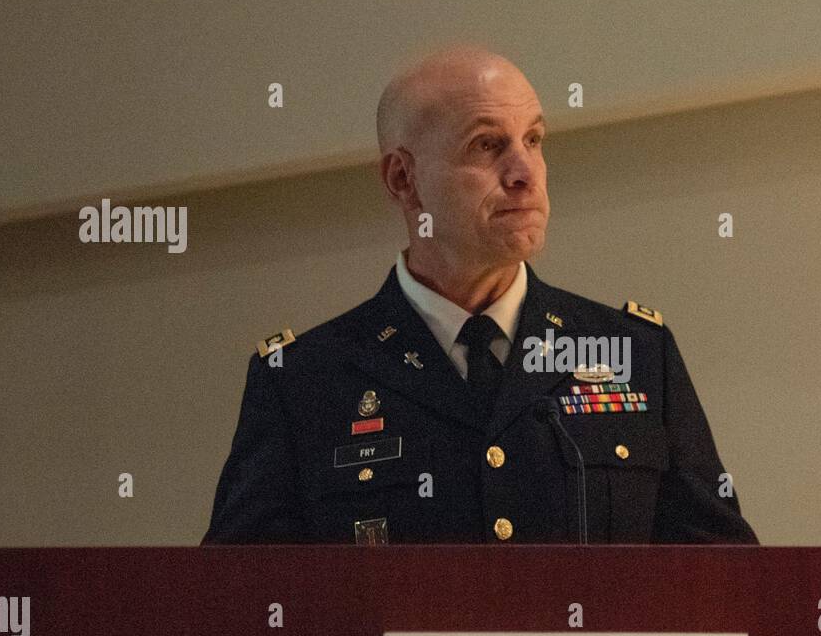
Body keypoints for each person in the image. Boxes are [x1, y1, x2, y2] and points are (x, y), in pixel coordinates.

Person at [202, 47, 757, 545]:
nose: (524, 173)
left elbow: (724, 583)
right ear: (402, 179)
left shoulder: (631, 352)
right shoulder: (304, 380)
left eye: (534, 141)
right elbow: (240, 613)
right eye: (487, 145)